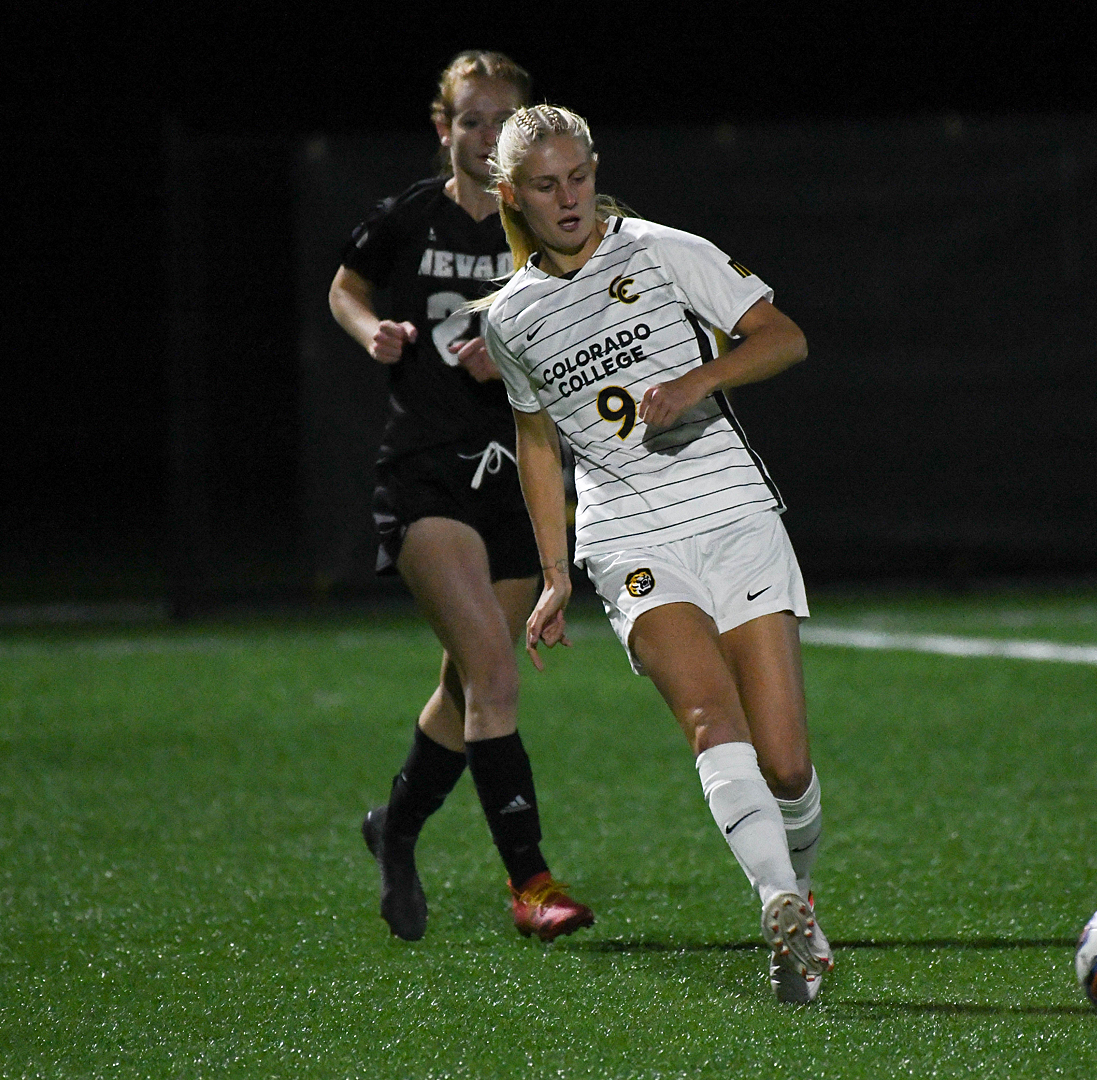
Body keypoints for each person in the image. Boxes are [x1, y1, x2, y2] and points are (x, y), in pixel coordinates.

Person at [478, 104, 831, 1003]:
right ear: (513, 195)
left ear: (597, 171)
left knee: (787, 763)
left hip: (732, 514)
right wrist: (555, 574)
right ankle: (780, 902)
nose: (569, 200)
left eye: (580, 178)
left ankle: (799, 893)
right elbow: (540, 444)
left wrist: (699, 379)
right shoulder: (511, 317)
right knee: (714, 722)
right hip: (629, 536)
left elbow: (785, 337)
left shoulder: (665, 251)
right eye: (547, 186)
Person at [327, 52, 593, 943]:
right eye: (470, 122)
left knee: (463, 686)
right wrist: (375, 333)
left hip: (517, 475)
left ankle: (394, 832)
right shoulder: (408, 216)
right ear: (443, 129)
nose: (484, 139)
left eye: (500, 123)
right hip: (428, 474)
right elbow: (347, 286)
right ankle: (532, 884)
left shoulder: (549, 226)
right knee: (493, 668)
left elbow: (591, 337)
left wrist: (520, 354)